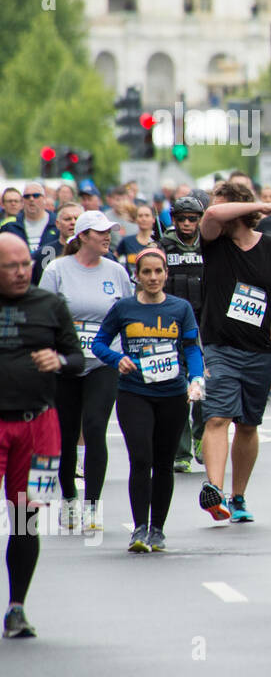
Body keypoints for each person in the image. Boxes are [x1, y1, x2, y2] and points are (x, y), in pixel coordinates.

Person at [195, 183, 271, 523]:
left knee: (248, 425)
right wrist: (266, 205)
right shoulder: (213, 241)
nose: (214, 208)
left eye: (223, 202)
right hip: (218, 348)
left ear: (239, 206)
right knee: (218, 417)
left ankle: (238, 496)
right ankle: (214, 489)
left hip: (259, 350)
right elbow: (210, 215)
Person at [91, 249, 204, 553]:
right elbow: (98, 342)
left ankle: (158, 529)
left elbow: (192, 347)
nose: (153, 278)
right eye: (147, 272)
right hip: (134, 392)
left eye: (158, 271)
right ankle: (139, 528)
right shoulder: (124, 308)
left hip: (172, 394)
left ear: (166, 273)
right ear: (137, 276)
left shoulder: (180, 308)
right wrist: (118, 359)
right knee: (141, 459)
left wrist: (196, 379)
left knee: (164, 463)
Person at [0, 233, 81, 639]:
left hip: (38, 426)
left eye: (24, 264)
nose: (19, 273)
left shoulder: (50, 305)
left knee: (25, 519)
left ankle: (17, 608)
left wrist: (60, 360)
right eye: (9, 267)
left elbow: (78, 357)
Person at [39, 210, 132, 533]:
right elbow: (41, 315)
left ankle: (92, 505)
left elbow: (128, 315)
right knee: (65, 436)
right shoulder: (57, 270)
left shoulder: (117, 272)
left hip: (103, 363)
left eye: (109, 231)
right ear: (82, 237)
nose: (107, 237)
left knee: (94, 428)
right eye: (100, 232)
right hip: (65, 364)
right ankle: (68, 500)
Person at [160, 195, 206, 471]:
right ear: (173, 219)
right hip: (171, 326)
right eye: (181, 218)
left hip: (204, 323)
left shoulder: (211, 245)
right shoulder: (162, 246)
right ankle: (181, 452)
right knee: (178, 389)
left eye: (193, 218)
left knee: (202, 385)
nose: (187, 223)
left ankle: (202, 436)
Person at [0, 183, 58, 274]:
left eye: (36, 196)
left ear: (44, 198)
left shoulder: (57, 224)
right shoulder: (10, 227)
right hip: (20, 276)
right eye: (27, 197)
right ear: (22, 201)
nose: (31, 199)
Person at [115, 204, 156, 280]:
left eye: (147, 216)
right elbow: (113, 259)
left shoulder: (159, 242)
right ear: (136, 219)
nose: (143, 219)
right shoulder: (127, 241)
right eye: (140, 216)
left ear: (153, 219)